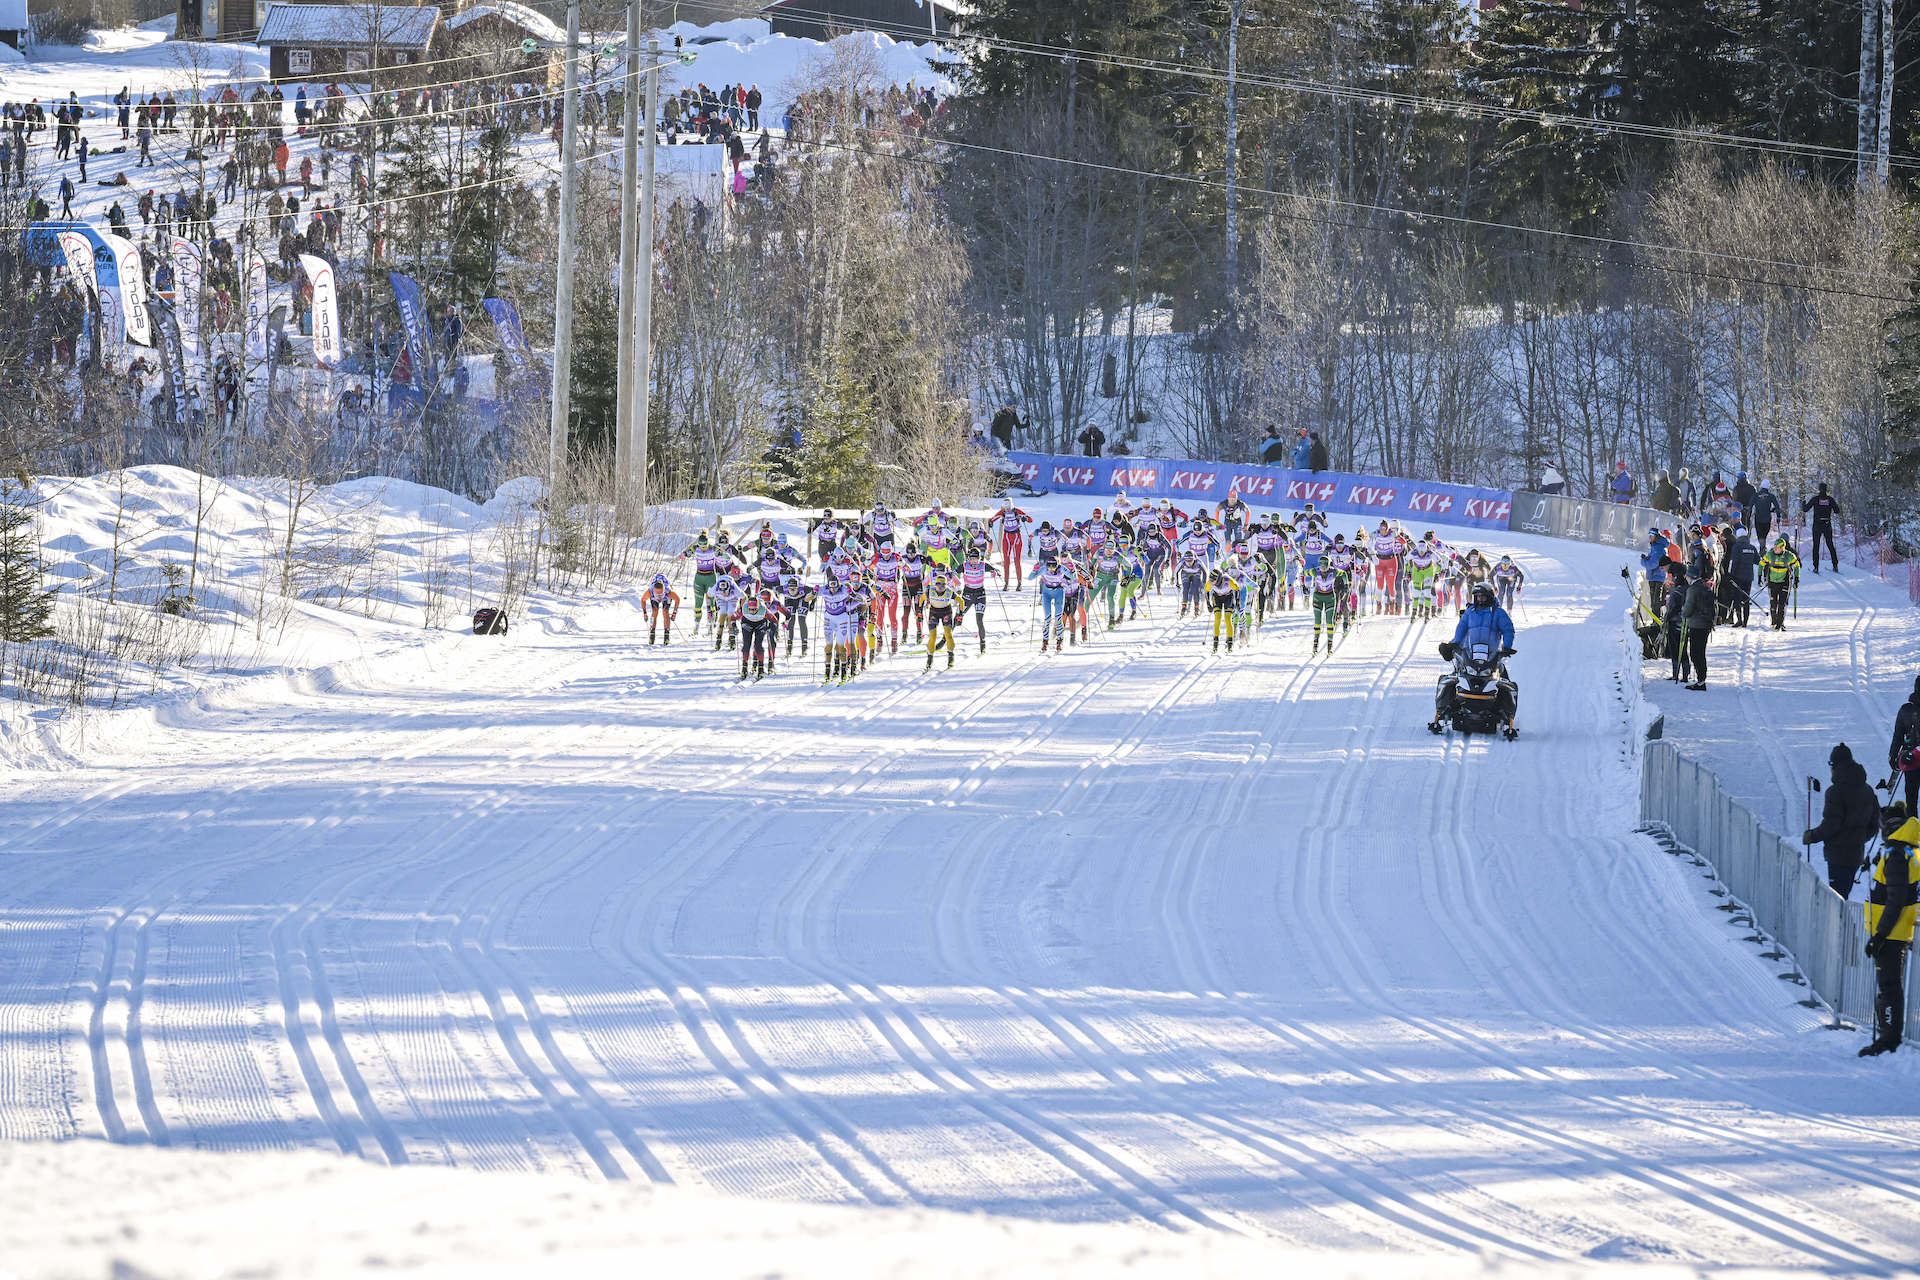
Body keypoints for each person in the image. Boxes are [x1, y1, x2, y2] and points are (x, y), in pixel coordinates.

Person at [1860, 816, 1917, 1057]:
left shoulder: (1897, 856)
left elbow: (1895, 898)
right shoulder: (1907, 852)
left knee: (1889, 986)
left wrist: (1880, 934)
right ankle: (1888, 1035)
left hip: (1891, 932)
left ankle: (1889, 1038)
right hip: (1896, 930)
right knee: (1890, 986)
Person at [1804, 744, 1882, 898]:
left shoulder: (1834, 792)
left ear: (1835, 766)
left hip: (1838, 854)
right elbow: (1875, 822)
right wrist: (1859, 837)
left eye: (1831, 765)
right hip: (1856, 854)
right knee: (1843, 894)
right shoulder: (1867, 790)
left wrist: (1812, 836)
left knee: (1837, 897)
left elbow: (1831, 824)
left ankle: (1836, 922)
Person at [1888, 676, 1920, 819]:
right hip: (1912, 757)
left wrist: (1894, 756)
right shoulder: (1906, 710)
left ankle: (1912, 830)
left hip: (1911, 757)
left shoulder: (1906, 709)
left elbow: (1898, 735)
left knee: (1911, 795)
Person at [1680, 567, 1716, 691]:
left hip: (1697, 624)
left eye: (1687, 576)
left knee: (1696, 653)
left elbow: (1688, 608)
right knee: (1701, 652)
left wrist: (1683, 612)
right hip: (1706, 624)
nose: (1686, 578)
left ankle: (1701, 681)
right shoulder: (1705, 587)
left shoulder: (1693, 590)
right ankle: (1701, 679)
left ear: (1690, 577)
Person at [1758, 536, 1799, 631]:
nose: (1774, 549)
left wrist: (1797, 579)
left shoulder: (1789, 556)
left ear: (1782, 548)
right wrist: (1759, 577)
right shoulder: (1770, 555)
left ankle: (1780, 624)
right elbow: (1761, 564)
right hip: (1772, 582)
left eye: (1777, 547)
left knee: (1782, 604)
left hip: (1785, 582)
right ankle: (1774, 621)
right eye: (1774, 547)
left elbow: (1797, 566)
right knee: (1773, 603)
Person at [1724, 528, 1759, 628]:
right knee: (1746, 598)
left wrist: (1730, 575)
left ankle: (1739, 620)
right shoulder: (1752, 547)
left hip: (1737, 577)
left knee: (1737, 598)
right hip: (1749, 577)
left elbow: (1733, 562)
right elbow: (1757, 560)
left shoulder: (1736, 547)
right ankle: (1745, 622)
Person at [1663, 566, 1691, 683]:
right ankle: (1685, 674)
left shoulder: (1676, 593)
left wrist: (1666, 619)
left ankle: (1676, 674)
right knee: (1684, 650)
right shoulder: (1689, 590)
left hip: (1675, 624)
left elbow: (1672, 609)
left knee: (1675, 650)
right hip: (1687, 624)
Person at [1803, 482, 1840, 573]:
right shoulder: (1830, 499)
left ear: (1819, 489)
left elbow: (1805, 509)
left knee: (1816, 546)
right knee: (1830, 545)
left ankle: (1816, 567)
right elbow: (1837, 511)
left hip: (1817, 525)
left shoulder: (1815, 499)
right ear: (1826, 489)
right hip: (1827, 524)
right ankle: (1835, 565)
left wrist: (1803, 504)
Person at [1750, 479, 1779, 547]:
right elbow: (1777, 506)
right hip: (1767, 519)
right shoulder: (1771, 496)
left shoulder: (1755, 495)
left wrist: (1748, 516)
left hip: (1758, 519)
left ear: (1761, 486)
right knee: (1764, 536)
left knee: (1760, 536)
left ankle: (1762, 548)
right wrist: (1778, 516)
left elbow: (1750, 505)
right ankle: (1763, 548)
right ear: (1768, 486)